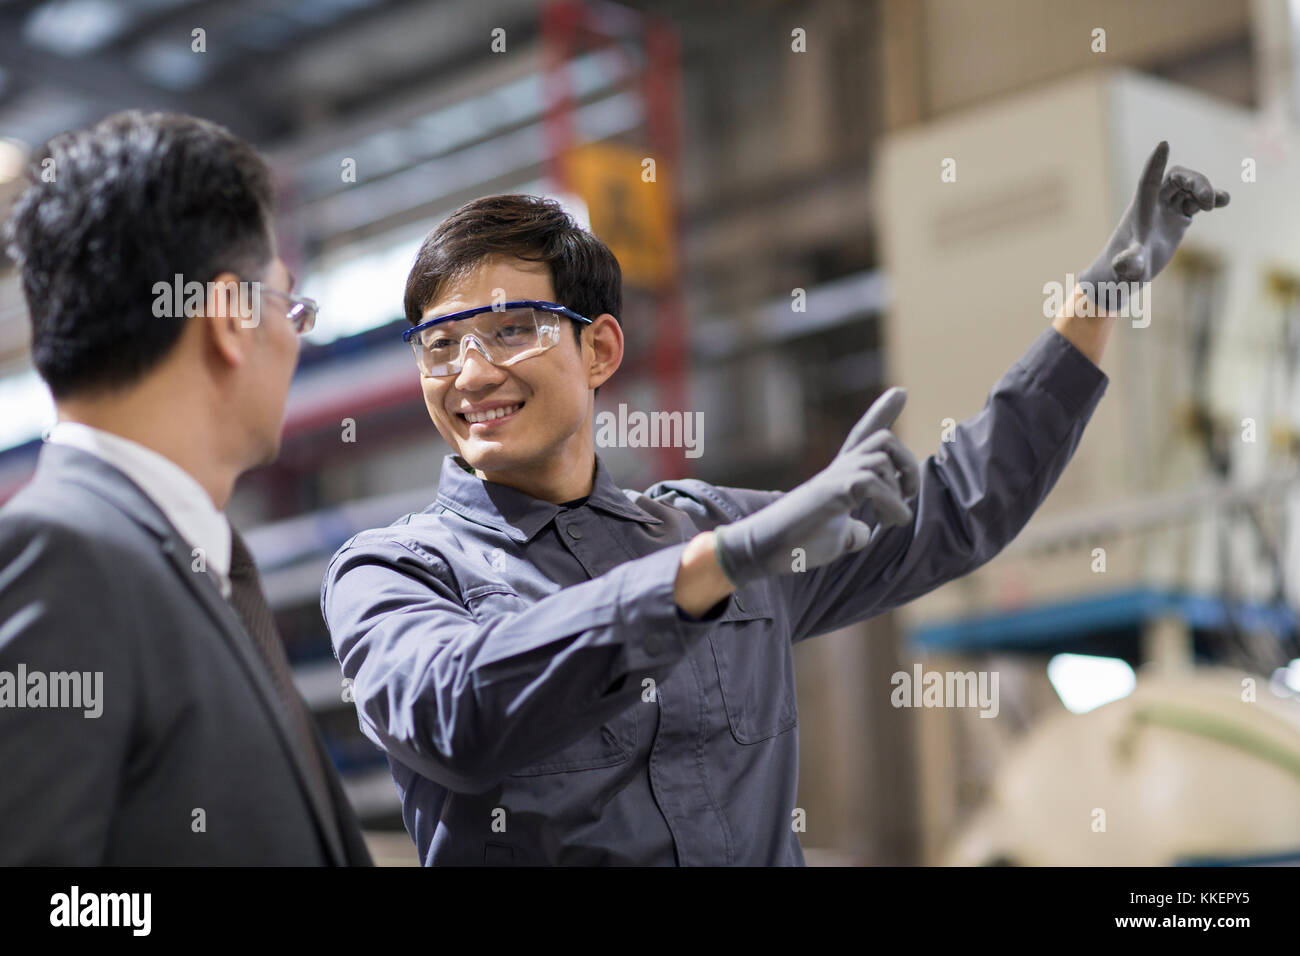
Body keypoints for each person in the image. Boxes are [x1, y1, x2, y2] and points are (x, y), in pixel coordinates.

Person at [321, 143, 1228, 865]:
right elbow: (457, 716)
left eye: (512, 330)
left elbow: (955, 511)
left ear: (598, 351)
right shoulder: (394, 573)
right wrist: (715, 569)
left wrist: (1099, 301)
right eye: (440, 346)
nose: (471, 373)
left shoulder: (715, 527)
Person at [0, 111, 372, 865]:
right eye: (288, 305)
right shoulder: (64, 555)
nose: (296, 338)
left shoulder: (196, 565)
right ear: (230, 319)